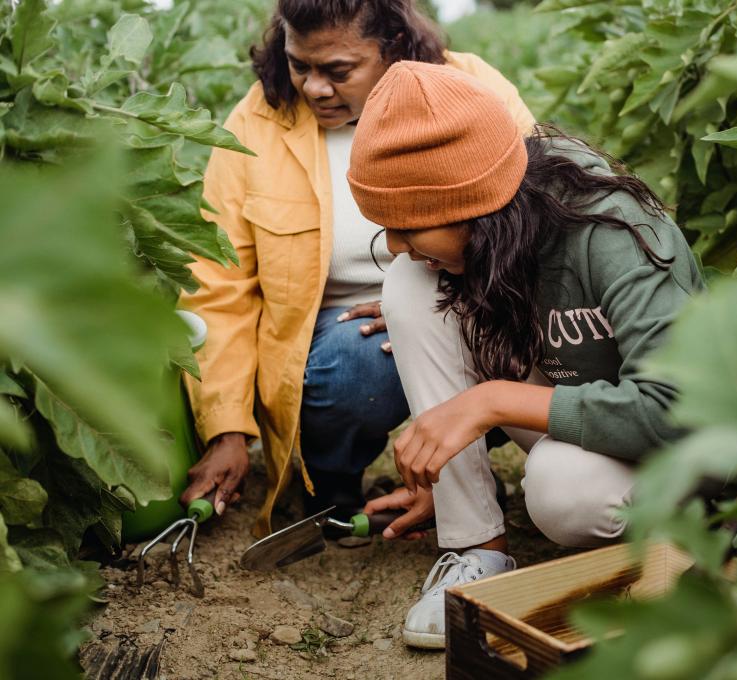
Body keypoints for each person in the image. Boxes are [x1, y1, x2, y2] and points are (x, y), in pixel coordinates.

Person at [349, 62, 704, 648]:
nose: (393, 244)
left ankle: (699, 534)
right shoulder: (489, 239)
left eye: (409, 225)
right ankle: (476, 548)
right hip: (586, 419)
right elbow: (432, 289)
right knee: (406, 289)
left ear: (476, 204)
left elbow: (677, 410)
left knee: (562, 491)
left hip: (679, 449)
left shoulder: (612, 231)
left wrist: (492, 401)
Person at [178, 0, 534, 538]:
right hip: (345, 327)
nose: (314, 88)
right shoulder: (257, 122)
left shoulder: (473, 89)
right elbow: (218, 283)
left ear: (392, 46)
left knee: (504, 351)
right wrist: (226, 429)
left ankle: (461, 471)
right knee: (352, 368)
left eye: (338, 71)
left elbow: (529, 219)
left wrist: (430, 306)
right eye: (300, 65)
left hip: (467, 301)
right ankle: (330, 480)